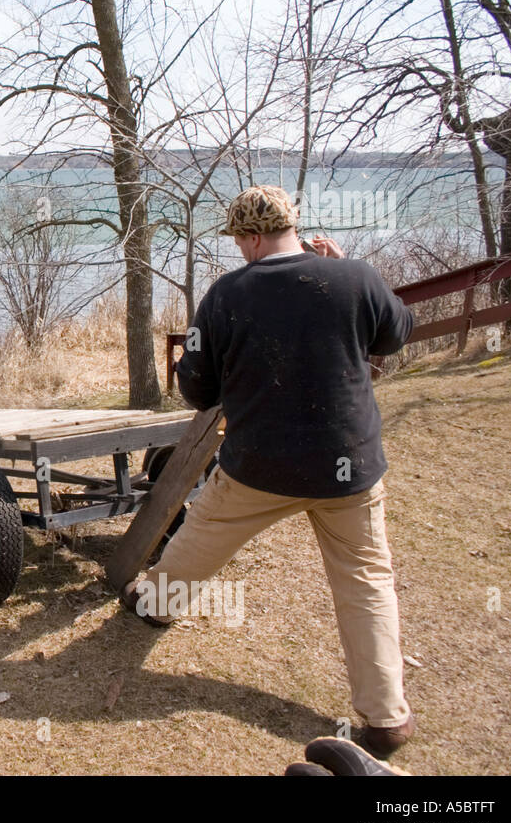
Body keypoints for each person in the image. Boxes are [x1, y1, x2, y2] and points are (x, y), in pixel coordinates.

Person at [122, 184, 417, 757]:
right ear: (293, 227)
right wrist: (344, 275)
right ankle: (385, 718)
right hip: (348, 467)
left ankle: (155, 603)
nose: (239, 249)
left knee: (202, 534)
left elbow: (197, 387)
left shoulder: (229, 294)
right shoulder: (354, 277)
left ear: (253, 237)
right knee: (365, 581)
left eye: (239, 240)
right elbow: (395, 333)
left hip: (260, 464)